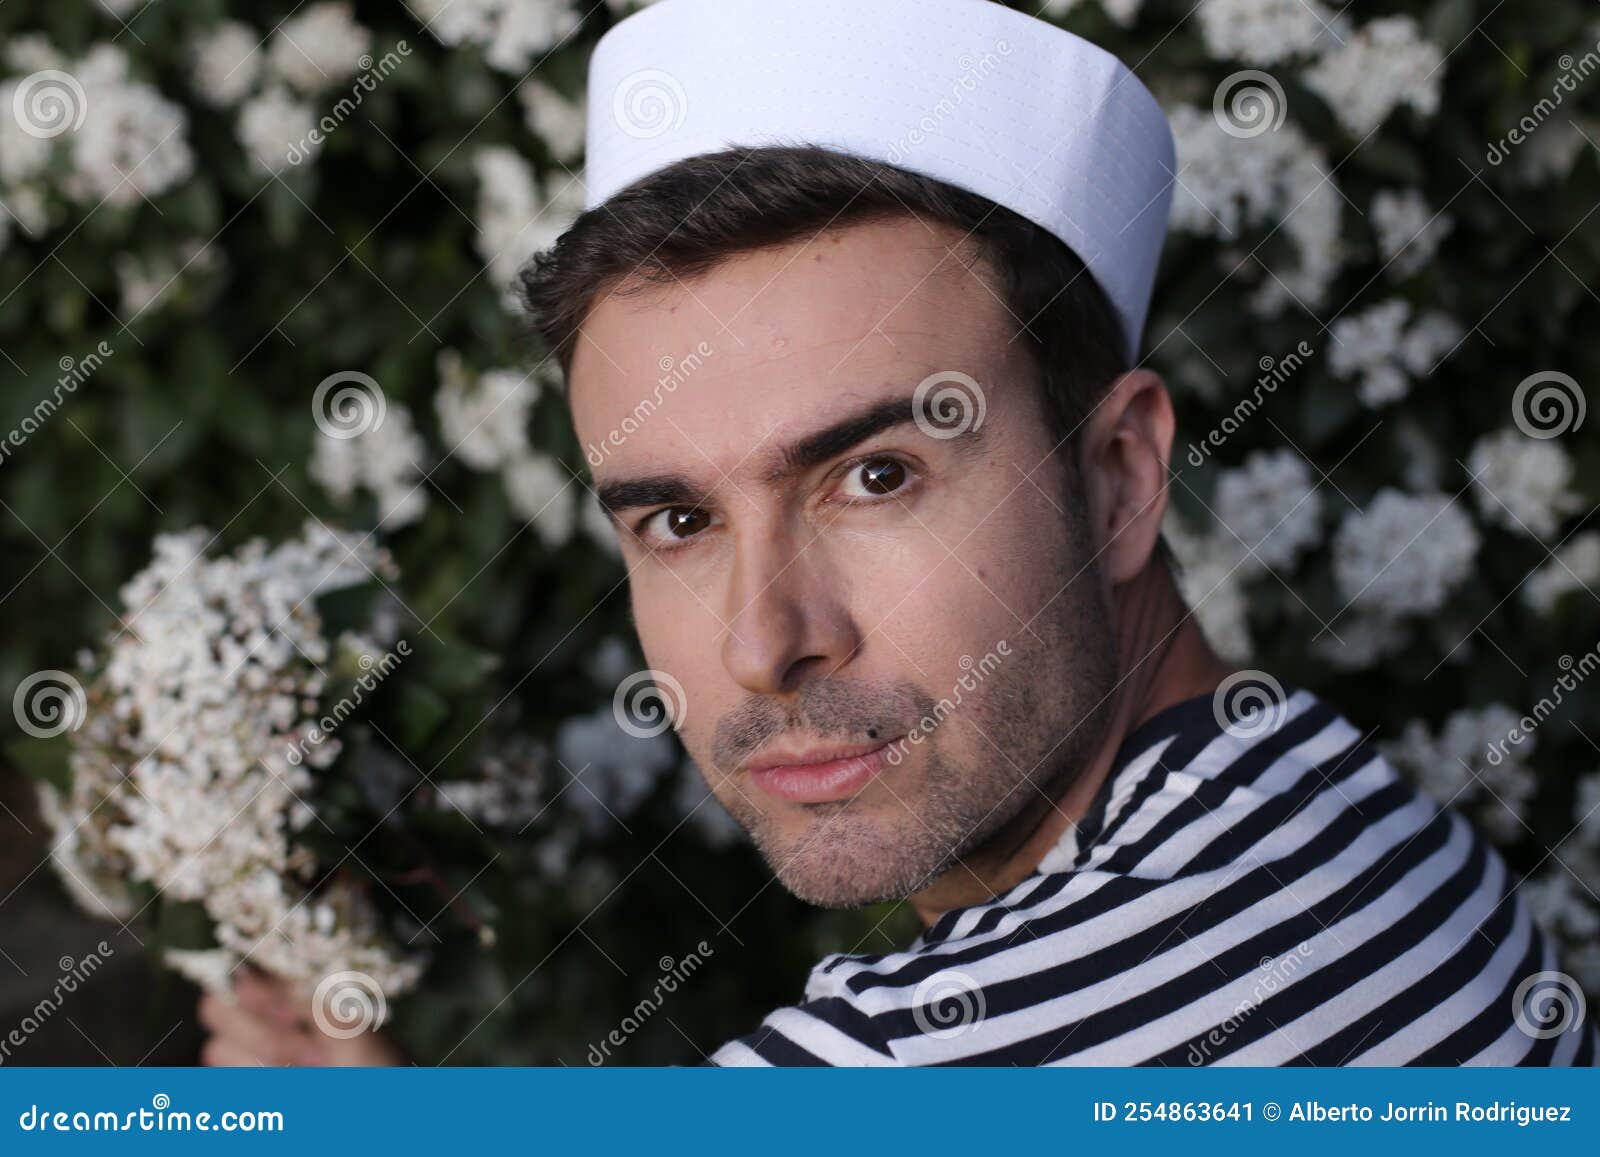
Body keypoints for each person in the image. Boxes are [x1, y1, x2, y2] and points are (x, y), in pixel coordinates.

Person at [200, 0, 1597, 1066]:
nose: (764, 642)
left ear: (1117, 474)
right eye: (678, 516)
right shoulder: (1328, 815)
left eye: (874, 476)